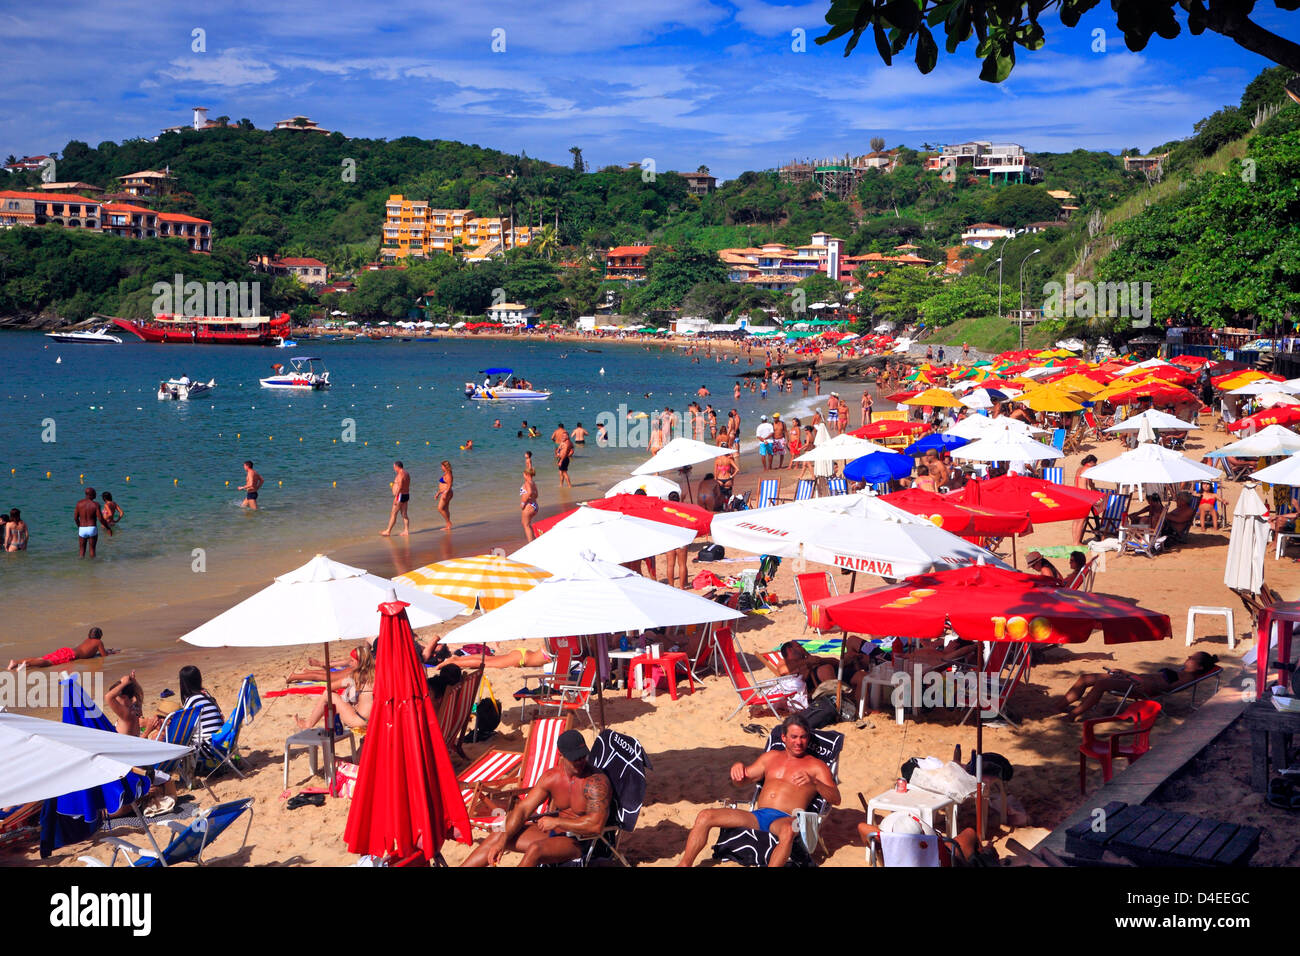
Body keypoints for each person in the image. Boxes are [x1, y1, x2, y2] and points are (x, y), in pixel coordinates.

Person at [677, 714, 840, 868]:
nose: (799, 742)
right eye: (794, 737)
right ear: (784, 737)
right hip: (757, 816)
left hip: (784, 819)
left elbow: (836, 798)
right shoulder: (770, 757)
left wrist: (816, 782)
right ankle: (685, 864)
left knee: (789, 830)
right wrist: (738, 769)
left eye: (803, 737)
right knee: (705, 816)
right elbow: (742, 781)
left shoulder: (816, 766)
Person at [461, 729, 612, 867]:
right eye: (575, 758)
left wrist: (557, 821)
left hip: (579, 842)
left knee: (535, 850)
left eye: (582, 756)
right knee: (498, 835)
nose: (580, 762)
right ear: (561, 755)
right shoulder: (552, 777)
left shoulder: (595, 782)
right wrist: (502, 841)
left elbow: (595, 825)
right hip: (554, 834)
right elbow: (523, 809)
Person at [1059, 653, 1220, 720]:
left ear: (1199, 667)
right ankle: (1059, 705)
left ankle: (1073, 714)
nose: (1188, 658)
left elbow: (1164, 688)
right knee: (1086, 678)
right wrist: (1125, 672)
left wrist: (1132, 679)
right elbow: (1150, 677)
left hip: (1141, 688)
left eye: (1192, 658)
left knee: (1101, 683)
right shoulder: (1181, 671)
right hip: (1136, 680)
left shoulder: (1187, 679)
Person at [296, 645, 374, 730]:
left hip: (359, 721)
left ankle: (308, 724)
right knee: (350, 694)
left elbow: (329, 687)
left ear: (359, 662)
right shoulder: (375, 674)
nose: (349, 663)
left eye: (352, 661)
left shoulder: (356, 676)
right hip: (373, 720)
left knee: (328, 694)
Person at [9, 626, 117, 671]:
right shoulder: (98, 642)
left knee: (43, 659)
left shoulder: (87, 640)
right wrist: (111, 652)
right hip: (69, 655)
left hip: (66, 651)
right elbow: (104, 655)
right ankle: (16, 662)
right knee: (47, 663)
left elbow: (90, 651)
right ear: (100, 635)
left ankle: (26, 663)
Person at [177, 665, 225, 743]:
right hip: (221, 741)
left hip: (208, 745)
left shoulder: (192, 700)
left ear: (184, 684)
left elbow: (184, 727)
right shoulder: (207, 696)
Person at [1072, 454, 1099, 544]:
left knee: (1076, 520)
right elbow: (1090, 485)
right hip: (1083, 496)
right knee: (1082, 520)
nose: (1095, 466)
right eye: (1095, 464)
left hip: (1075, 494)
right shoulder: (1088, 469)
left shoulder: (1079, 469)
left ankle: (1075, 541)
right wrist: (1097, 491)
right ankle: (1077, 542)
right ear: (1091, 462)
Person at [381, 460, 411, 537]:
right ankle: (406, 531)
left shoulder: (400, 475)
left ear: (397, 466)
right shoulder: (406, 473)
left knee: (393, 513)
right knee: (404, 514)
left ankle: (388, 531)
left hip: (400, 496)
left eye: (394, 467)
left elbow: (400, 486)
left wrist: (395, 497)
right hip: (406, 494)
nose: (394, 469)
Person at [74, 487, 102, 558]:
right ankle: (93, 567)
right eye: (94, 493)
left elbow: (75, 518)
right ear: (90, 494)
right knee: (92, 550)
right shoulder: (96, 504)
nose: (96, 494)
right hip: (92, 528)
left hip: (82, 528)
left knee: (81, 551)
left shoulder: (79, 503)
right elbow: (100, 518)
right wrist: (108, 528)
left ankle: (80, 567)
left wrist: (79, 527)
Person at [520, 458, 539, 541]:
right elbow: (536, 495)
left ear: (526, 474)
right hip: (534, 506)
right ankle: (534, 540)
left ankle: (531, 544)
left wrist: (523, 503)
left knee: (526, 525)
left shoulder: (527, 483)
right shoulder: (533, 483)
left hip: (528, 506)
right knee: (526, 524)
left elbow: (529, 492)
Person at [436, 460, 453, 531]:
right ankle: (448, 526)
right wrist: (438, 493)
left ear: (445, 467)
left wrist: (445, 494)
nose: (441, 468)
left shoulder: (448, 474)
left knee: (440, 508)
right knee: (445, 509)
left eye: (442, 466)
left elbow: (449, 485)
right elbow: (444, 485)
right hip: (445, 493)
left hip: (447, 493)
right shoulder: (446, 473)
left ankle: (449, 523)